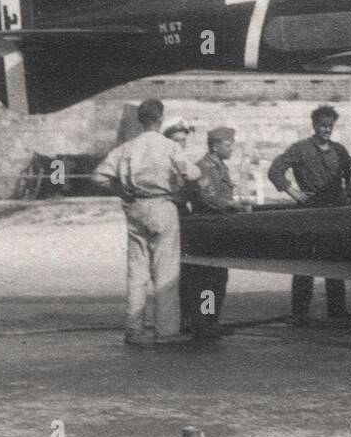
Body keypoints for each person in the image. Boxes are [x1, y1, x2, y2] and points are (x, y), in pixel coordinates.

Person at [92, 99, 201, 346]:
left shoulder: (127, 148)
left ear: (140, 120)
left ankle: (133, 328)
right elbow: (193, 174)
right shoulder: (170, 147)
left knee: (137, 271)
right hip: (163, 206)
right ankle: (166, 330)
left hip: (135, 207)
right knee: (166, 271)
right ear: (160, 119)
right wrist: (179, 189)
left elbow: (98, 176)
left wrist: (121, 190)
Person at [268, 105, 351, 321]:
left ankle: (337, 311)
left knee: (335, 262)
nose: (326, 130)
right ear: (314, 126)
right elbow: (275, 169)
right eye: (323, 126)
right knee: (305, 262)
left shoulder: (339, 150)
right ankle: (300, 312)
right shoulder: (300, 149)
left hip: (335, 211)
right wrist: (292, 191)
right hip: (310, 211)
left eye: (330, 126)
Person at [179, 127, 249, 340]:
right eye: (228, 144)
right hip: (205, 231)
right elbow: (207, 198)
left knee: (217, 278)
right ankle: (200, 323)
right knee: (205, 280)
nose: (232, 148)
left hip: (217, 231)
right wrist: (232, 205)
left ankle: (209, 321)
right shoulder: (204, 168)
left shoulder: (220, 168)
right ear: (215, 145)